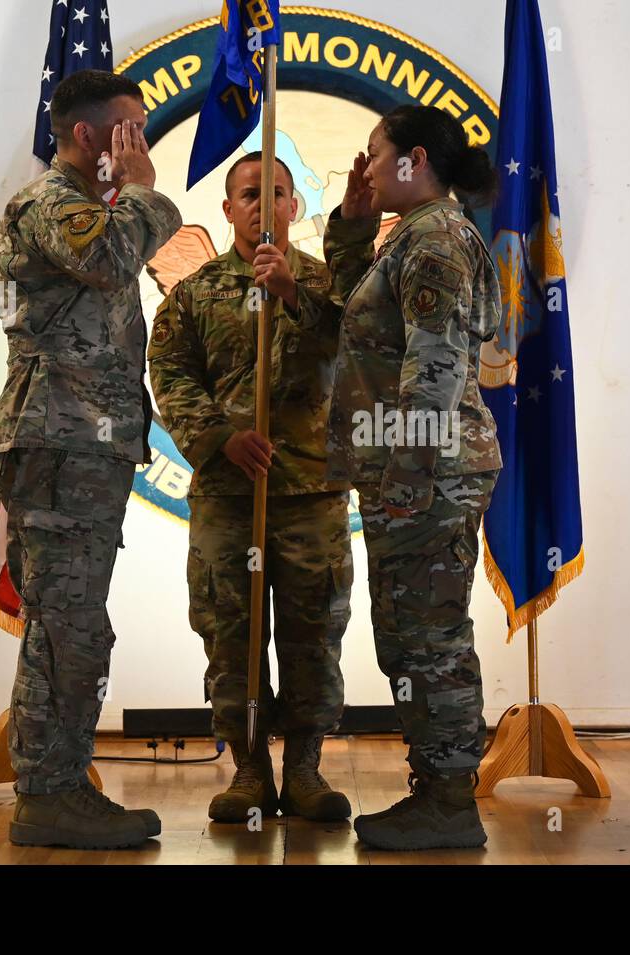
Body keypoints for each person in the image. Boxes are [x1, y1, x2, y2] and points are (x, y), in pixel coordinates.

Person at [0, 69, 182, 849]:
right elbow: (108, 258)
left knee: (70, 627)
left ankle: (55, 785)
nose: (139, 144)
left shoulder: (92, 206)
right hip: (58, 444)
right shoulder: (51, 205)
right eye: (130, 129)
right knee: (69, 629)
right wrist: (143, 188)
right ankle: (49, 792)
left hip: (80, 448)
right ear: (89, 136)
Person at [148, 153, 354, 823]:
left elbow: (352, 354)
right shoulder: (194, 294)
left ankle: (304, 769)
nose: (265, 205)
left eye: (279, 193)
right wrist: (219, 440)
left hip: (311, 494)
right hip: (229, 496)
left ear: (295, 206)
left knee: (312, 634)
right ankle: (248, 770)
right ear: (229, 210)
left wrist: (294, 294)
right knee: (231, 635)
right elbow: (172, 377)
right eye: (249, 194)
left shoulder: (330, 286)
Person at [322, 105, 503, 850]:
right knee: (409, 635)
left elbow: (433, 370)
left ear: (414, 157)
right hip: (416, 468)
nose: (364, 168)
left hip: (427, 468)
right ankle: (438, 786)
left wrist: (409, 477)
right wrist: (351, 224)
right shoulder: (418, 234)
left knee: (428, 638)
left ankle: (452, 798)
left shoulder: (433, 240)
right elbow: (350, 310)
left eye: (373, 155)